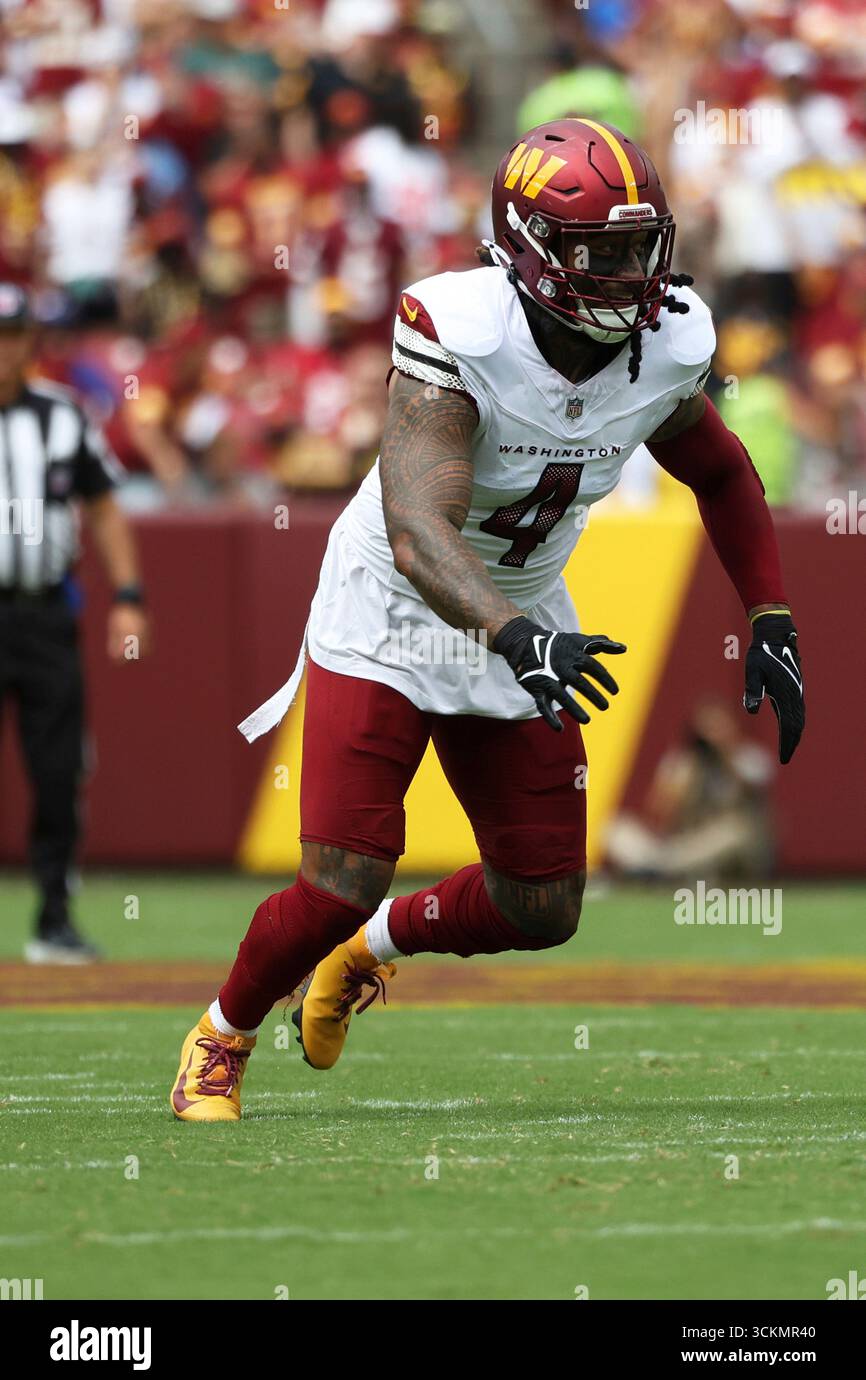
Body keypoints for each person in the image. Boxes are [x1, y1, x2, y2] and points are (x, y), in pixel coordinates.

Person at [169, 119, 806, 1122]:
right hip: (396, 605)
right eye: (596, 248)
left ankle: (365, 949)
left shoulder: (666, 342)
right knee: (340, 873)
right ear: (527, 245)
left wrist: (767, 611)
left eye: (637, 248)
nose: (625, 272)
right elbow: (420, 529)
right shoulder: (461, 328)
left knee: (542, 901)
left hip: (525, 613)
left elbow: (719, 469)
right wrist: (517, 638)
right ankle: (222, 1032)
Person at [0, 284, 149, 963]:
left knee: (58, 771)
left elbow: (104, 506)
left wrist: (128, 593)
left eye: (13, 334)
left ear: (31, 341)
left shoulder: (62, 416)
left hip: (42, 615)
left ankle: (54, 917)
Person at [605, 697, 775, 880]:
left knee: (732, 831)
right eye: (707, 730)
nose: (712, 737)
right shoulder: (683, 763)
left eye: (718, 728)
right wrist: (682, 785)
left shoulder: (750, 758)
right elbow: (657, 815)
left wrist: (725, 757)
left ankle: (659, 869)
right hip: (684, 843)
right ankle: (661, 868)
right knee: (616, 829)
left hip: (734, 850)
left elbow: (753, 803)